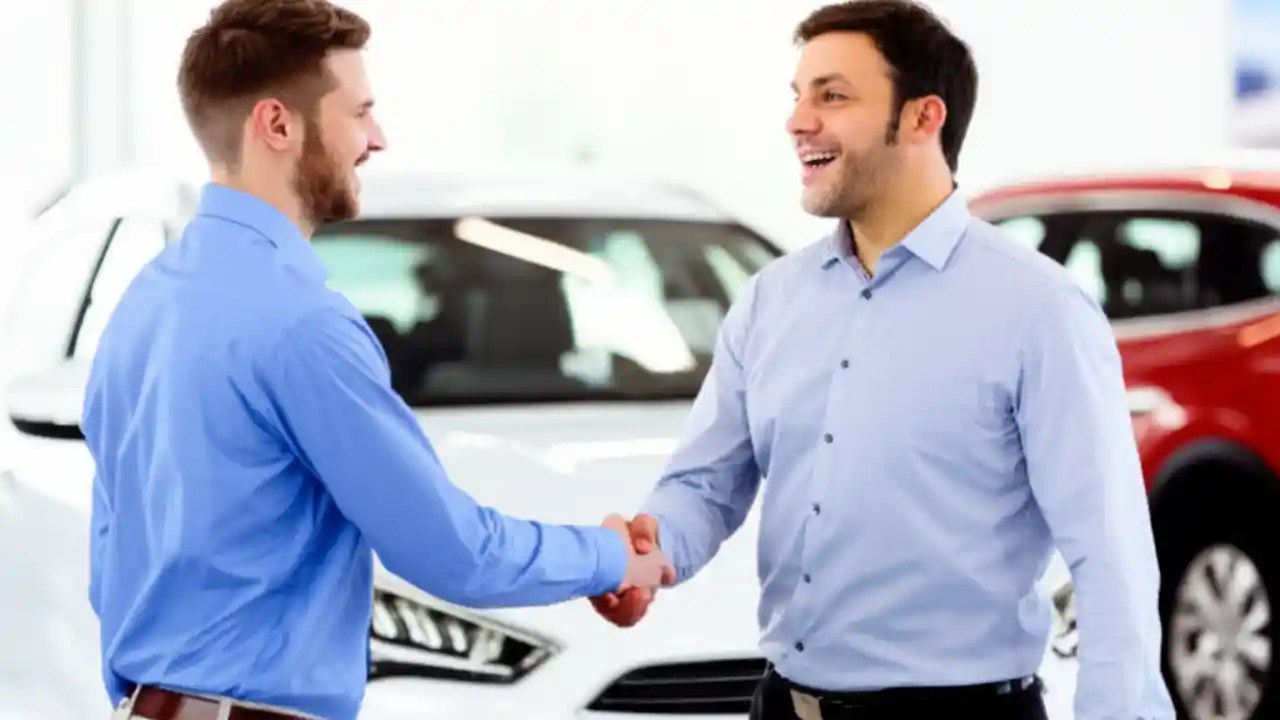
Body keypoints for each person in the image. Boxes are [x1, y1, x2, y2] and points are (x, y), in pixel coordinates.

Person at [82, 1, 674, 719]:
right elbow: (451, 551)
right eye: (359, 112)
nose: (377, 138)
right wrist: (612, 557)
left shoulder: (143, 304)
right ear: (277, 124)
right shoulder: (299, 322)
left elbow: (111, 559)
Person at [589, 2, 1176, 719]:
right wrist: (649, 555)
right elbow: (705, 487)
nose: (798, 121)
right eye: (798, 96)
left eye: (832, 96)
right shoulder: (772, 300)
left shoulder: (1038, 310)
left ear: (923, 118)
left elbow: (1110, 560)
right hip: (783, 707)